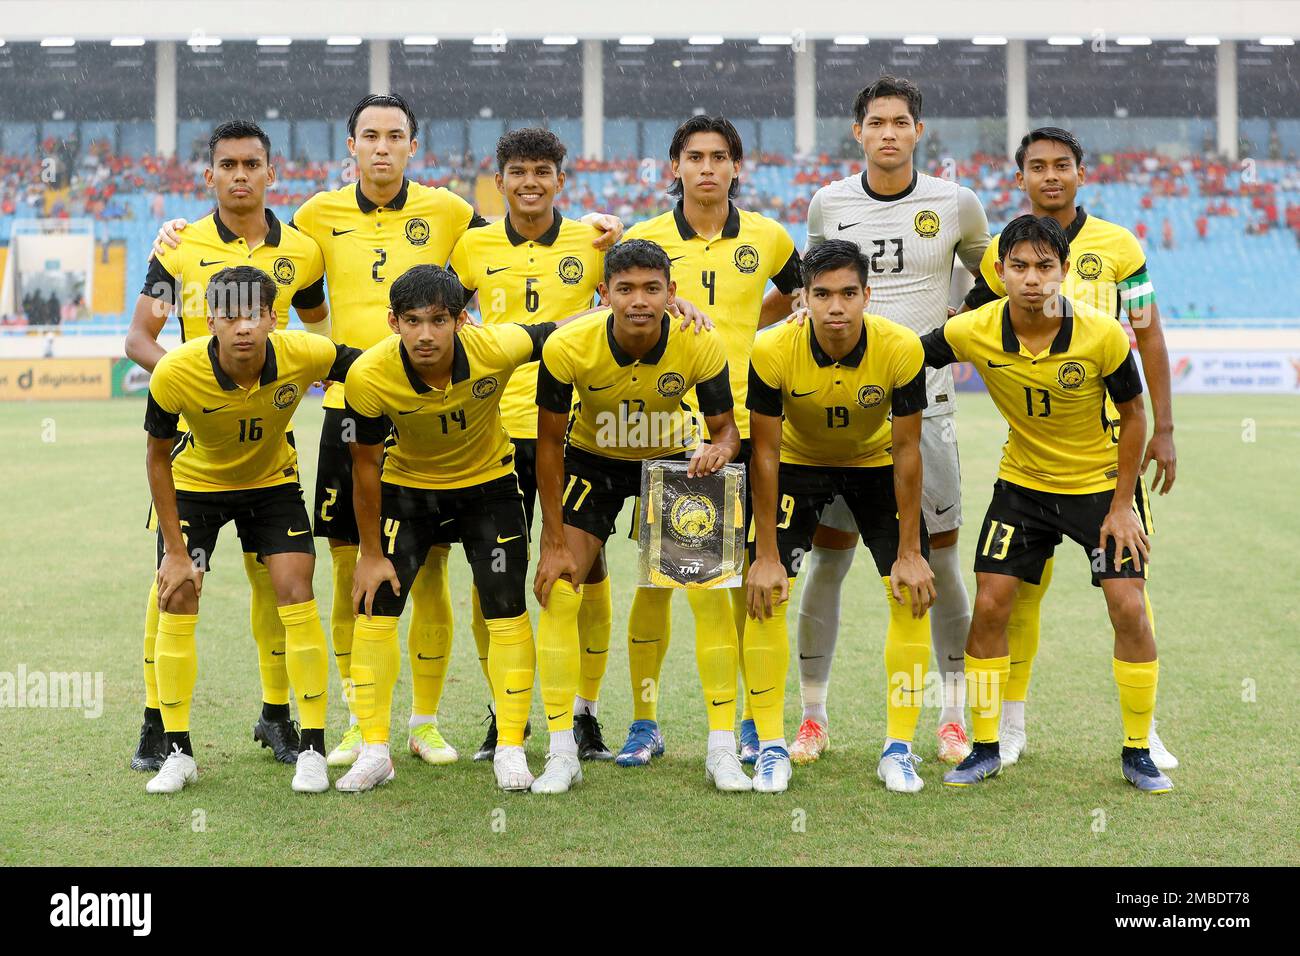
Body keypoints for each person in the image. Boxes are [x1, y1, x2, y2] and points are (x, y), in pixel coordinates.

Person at [155, 94, 626, 769]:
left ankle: (449, 722)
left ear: (413, 146)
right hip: (357, 411)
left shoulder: (452, 214)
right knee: (356, 568)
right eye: (369, 135)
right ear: (350, 146)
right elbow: (289, 285)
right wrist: (174, 236)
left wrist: (597, 226)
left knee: (463, 573)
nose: (381, 146)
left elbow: (522, 233)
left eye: (394, 135)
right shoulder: (315, 216)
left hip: (465, 415)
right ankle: (357, 721)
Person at [448, 127, 711, 762]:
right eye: (518, 172)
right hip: (494, 429)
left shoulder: (596, 242)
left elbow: (643, 293)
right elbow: (449, 316)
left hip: (574, 431)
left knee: (582, 570)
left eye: (543, 171)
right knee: (500, 577)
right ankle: (503, 711)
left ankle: (585, 715)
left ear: (561, 180)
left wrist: (692, 309)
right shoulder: (472, 245)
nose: (530, 183)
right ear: (500, 179)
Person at [765, 75, 990, 767]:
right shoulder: (828, 203)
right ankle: (812, 716)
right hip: (835, 415)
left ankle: (953, 716)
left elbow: (993, 276)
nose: (888, 132)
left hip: (927, 409)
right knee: (826, 565)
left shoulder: (956, 203)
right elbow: (811, 288)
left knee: (939, 564)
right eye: (876, 122)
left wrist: (959, 325)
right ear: (857, 132)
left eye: (900, 122)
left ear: (918, 131)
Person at [921, 216, 1172, 794]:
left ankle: (1139, 748)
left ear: (1063, 272)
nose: (1032, 279)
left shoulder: (1102, 334)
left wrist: (1121, 506)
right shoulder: (973, 329)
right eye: (1020, 267)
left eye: (1045, 267)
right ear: (1001, 272)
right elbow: (904, 359)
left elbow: (1134, 416)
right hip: (1024, 486)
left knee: (1128, 607)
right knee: (991, 605)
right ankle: (985, 746)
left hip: (1099, 486)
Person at [963, 127, 1178, 770]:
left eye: (1062, 166)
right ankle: (1010, 724)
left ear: (1081, 173)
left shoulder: (1119, 245)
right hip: (1030, 451)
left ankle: (1145, 731)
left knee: (1128, 593)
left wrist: (1163, 428)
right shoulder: (1000, 253)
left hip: (1107, 451)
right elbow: (972, 329)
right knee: (1013, 595)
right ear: (1020, 177)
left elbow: (1150, 334)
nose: (1049, 176)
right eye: (1037, 166)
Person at [125, 120, 328, 772]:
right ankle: (157, 724)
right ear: (208, 175)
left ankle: (276, 715)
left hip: (271, 450)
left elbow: (324, 342)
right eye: (228, 165)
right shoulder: (178, 248)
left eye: (252, 164)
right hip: (195, 449)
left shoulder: (304, 253)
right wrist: (191, 390)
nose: (240, 175)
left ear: (272, 172)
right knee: (175, 581)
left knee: (278, 588)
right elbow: (138, 338)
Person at [531, 239, 747, 794]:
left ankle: (721, 748)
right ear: (603, 294)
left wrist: (720, 451)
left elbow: (726, 430)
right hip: (592, 459)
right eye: (625, 289)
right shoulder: (567, 345)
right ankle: (562, 752)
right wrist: (553, 541)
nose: (639, 300)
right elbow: (549, 444)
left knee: (706, 592)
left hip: (674, 461)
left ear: (672, 293)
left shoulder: (698, 343)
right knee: (560, 587)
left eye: (652, 288)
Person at [619, 115, 803, 766]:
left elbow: (798, 294)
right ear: (674, 167)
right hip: (670, 429)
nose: (705, 168)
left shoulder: (768, 237)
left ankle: (751, 722)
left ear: (735, 168)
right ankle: (645, 722)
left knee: (743, 579)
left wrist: (751, 328)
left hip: (751, 426)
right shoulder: (644, 238)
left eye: (718, 157)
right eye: (693, 157)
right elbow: (610, 313)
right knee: (659, 581)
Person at [343, 264, 566, 792]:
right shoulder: (368, 375)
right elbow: (365, 466)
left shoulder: (497, 346)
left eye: (439, 320)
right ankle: (375, 749)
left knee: (505, 605)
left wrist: (628, 307)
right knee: (377, 607)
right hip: (408, 488)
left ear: (461, 320)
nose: (426, 334)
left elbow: (562, 330)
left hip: (487, 486)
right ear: (392, 322)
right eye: (413, 321)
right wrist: (370, 553)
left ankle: (510, 746)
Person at [142, 265, 359, 794]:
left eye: (254, 315)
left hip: (271, 484)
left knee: (295, 590)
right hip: (197, 485)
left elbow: (370, 367)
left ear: (272, 318)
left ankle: (311, 746)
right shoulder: (175, 372)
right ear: (211, 319)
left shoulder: (304, 353)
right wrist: (174, 550)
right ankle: (177, 751)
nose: (243, 327)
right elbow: (155, 460)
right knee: (179, 594)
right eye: (231, 315)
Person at [744, 240, 934, 793]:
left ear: (867, 296)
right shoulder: (772, 348)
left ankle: (898, 748)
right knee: (764, 593)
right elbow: (765, 454)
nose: (836, 308)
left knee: (911, 590)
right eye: (822, 294)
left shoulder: (900, 349)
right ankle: (773, 745)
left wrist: (910, 550)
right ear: (802, 297)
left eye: (849, 293)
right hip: (799, 463)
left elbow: (906, 451)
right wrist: (765, 554)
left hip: (875, 462)